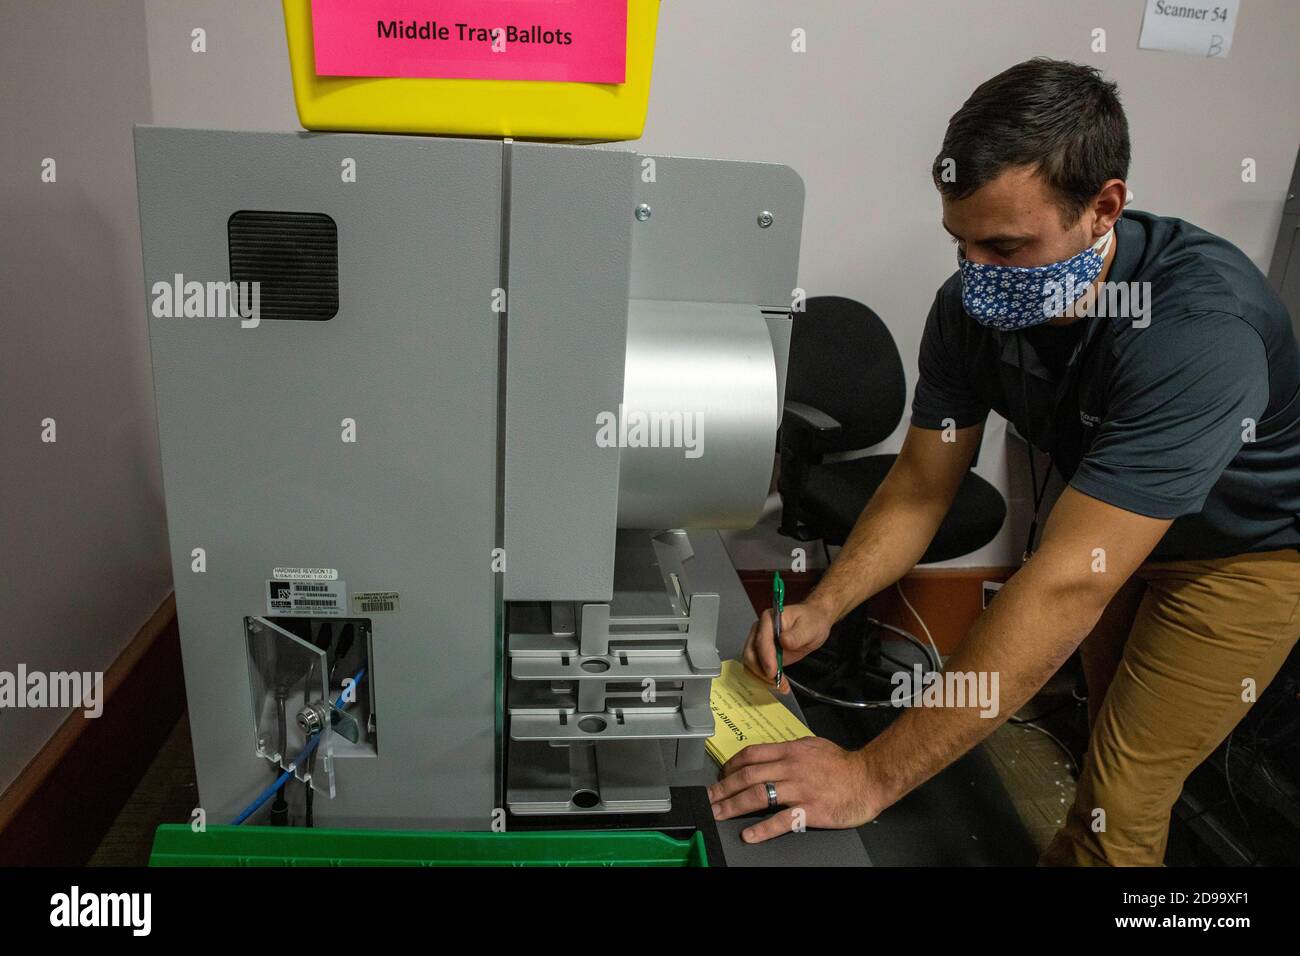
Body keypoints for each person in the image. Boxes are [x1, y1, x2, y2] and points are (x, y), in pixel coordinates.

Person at [709, 57, 1300, 865]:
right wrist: (829, 603)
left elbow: (1066, 587)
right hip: (1108, 537)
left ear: (1104, 208)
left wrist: (872, 776)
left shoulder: (1197, 331)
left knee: (1121, 797)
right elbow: (920, 487)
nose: (977, 279)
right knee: (1098, 741)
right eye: (962, 244)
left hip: (1238, 557)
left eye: (1006, 246)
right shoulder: (971, 305)